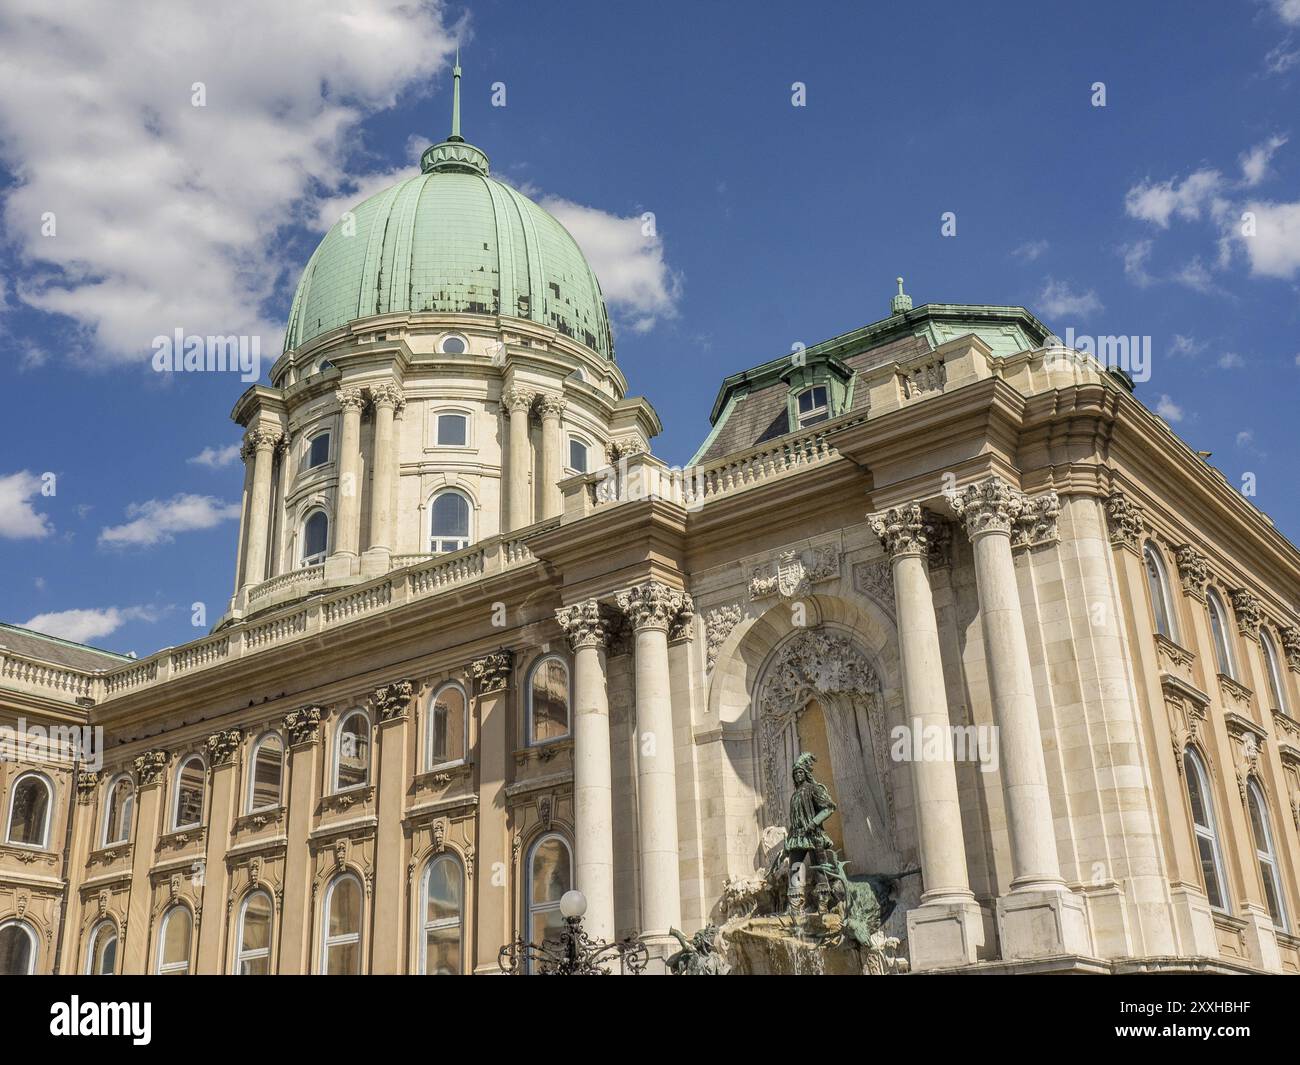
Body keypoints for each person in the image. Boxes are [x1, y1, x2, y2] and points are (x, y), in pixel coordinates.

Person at [783, 751, 837, 914]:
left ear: (805, 773)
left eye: (800, 772)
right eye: (796, 773)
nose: (798, 775)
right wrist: (789, 839)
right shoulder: (795, 795)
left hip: (812, 835)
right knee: (794, 868)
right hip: (797, 837)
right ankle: (795, 905)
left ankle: (823, 903)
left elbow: (829, 807)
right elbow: (794, 818)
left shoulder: (813, 789)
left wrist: (813, 823)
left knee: (819, 868)